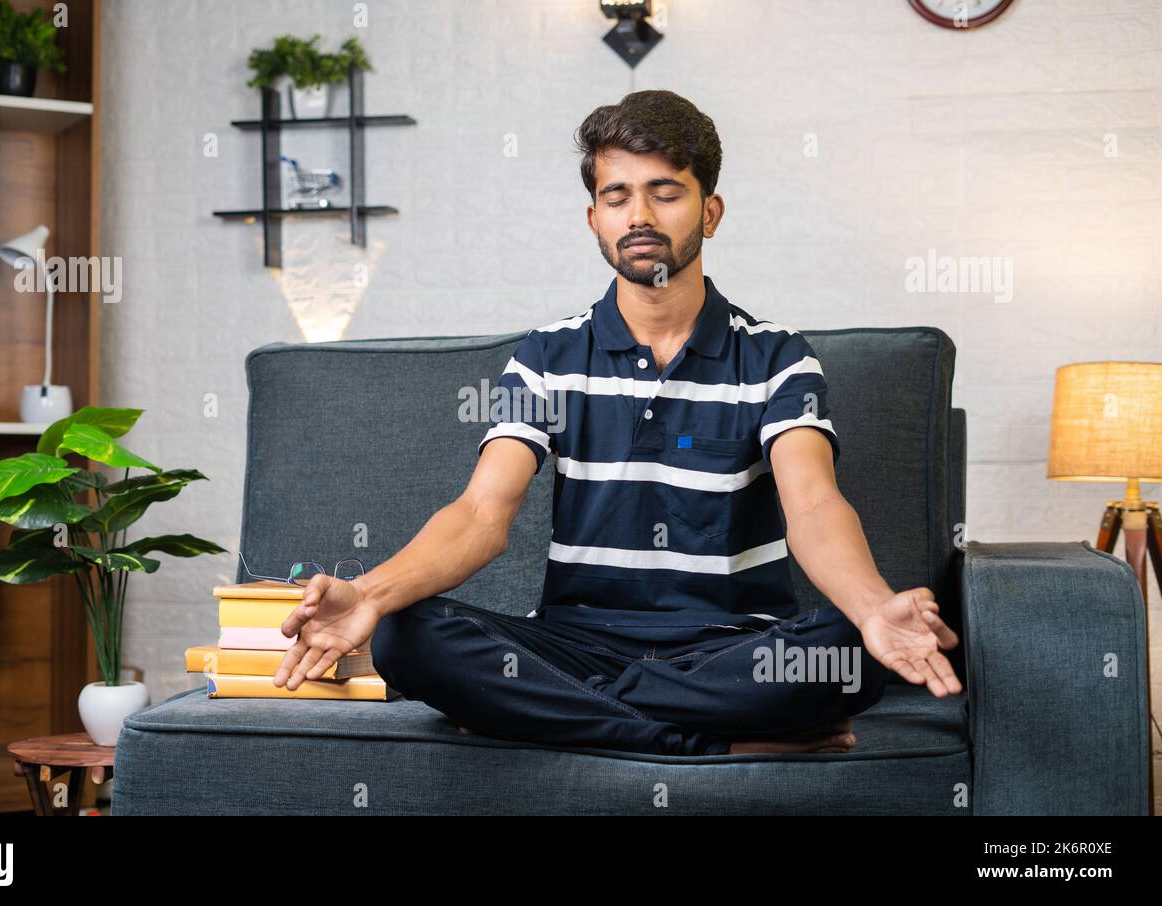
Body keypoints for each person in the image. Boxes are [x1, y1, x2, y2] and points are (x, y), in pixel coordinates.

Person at [272, 89, 962, 757]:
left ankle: (553, 718)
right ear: (594, 218)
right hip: (577, 639)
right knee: (405, 636)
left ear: (710, 212)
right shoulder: (547, 358)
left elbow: (813, 505)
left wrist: (874, 609)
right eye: (617, 195)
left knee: (847, 654)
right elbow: (481, 514)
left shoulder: (777, 357)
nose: (640, 215)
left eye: (665, 192)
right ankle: (716, 739)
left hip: (733, 648)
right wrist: (368, 592)